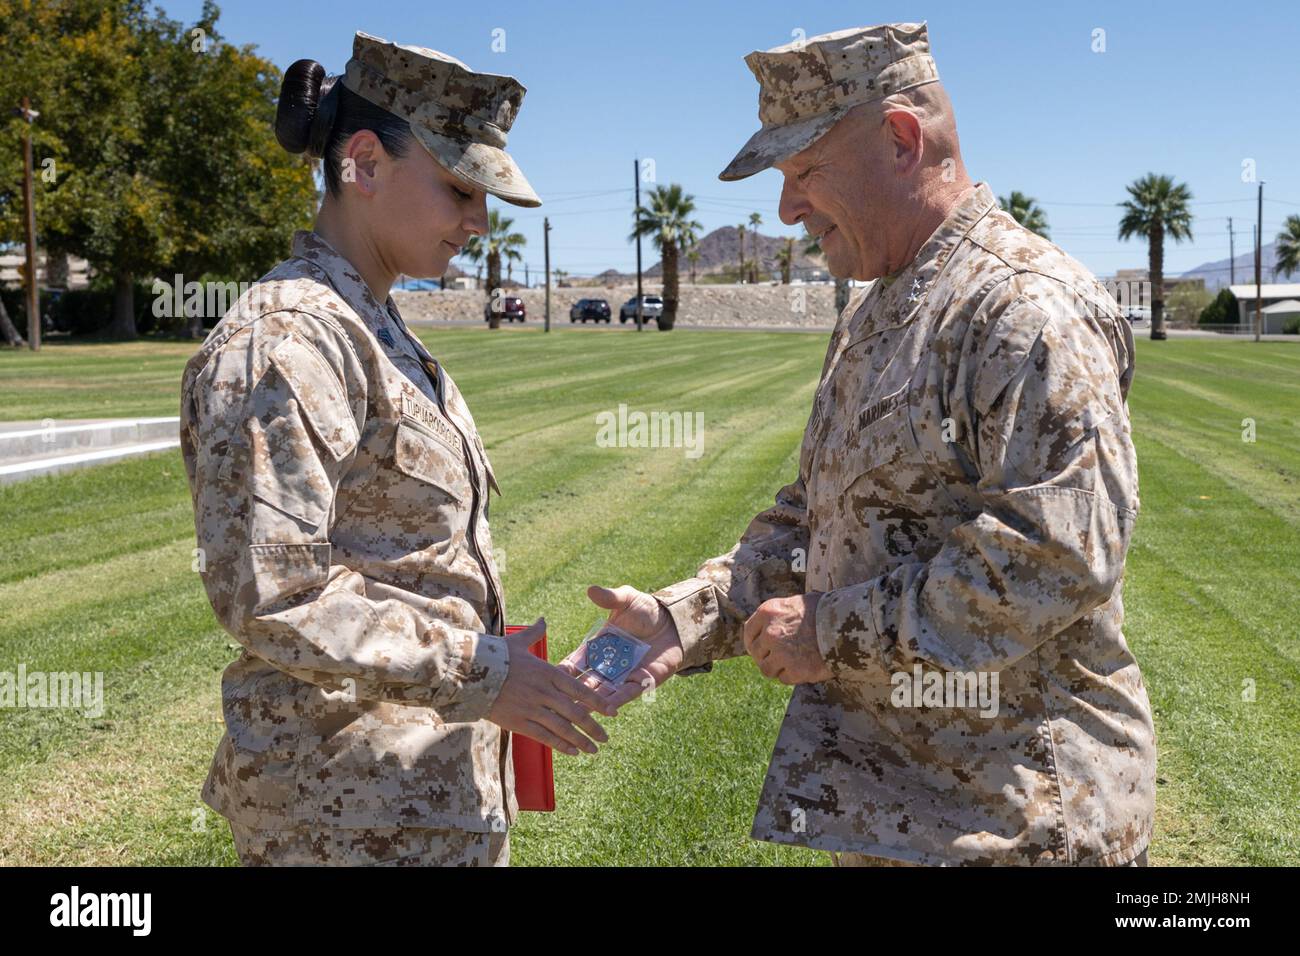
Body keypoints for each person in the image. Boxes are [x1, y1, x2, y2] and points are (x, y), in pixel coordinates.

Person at [579, 22, 1155, 866]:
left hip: (1020, 826)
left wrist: (835, 632)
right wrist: (684, 616)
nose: (787, 209)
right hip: (902, 822)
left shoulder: (1023, 309)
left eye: (805, 171)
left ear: (901, 140)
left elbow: (1059, 555)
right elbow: (817, 521)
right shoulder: (876, 307)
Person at [180, 31, 615, 867]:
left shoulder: (370, 326)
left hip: (415, 800)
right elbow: (273, 594)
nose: (478, 221)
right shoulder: (288, 341)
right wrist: (485, 671)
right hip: (339, 818)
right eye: (459, 189)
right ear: (364, 164)